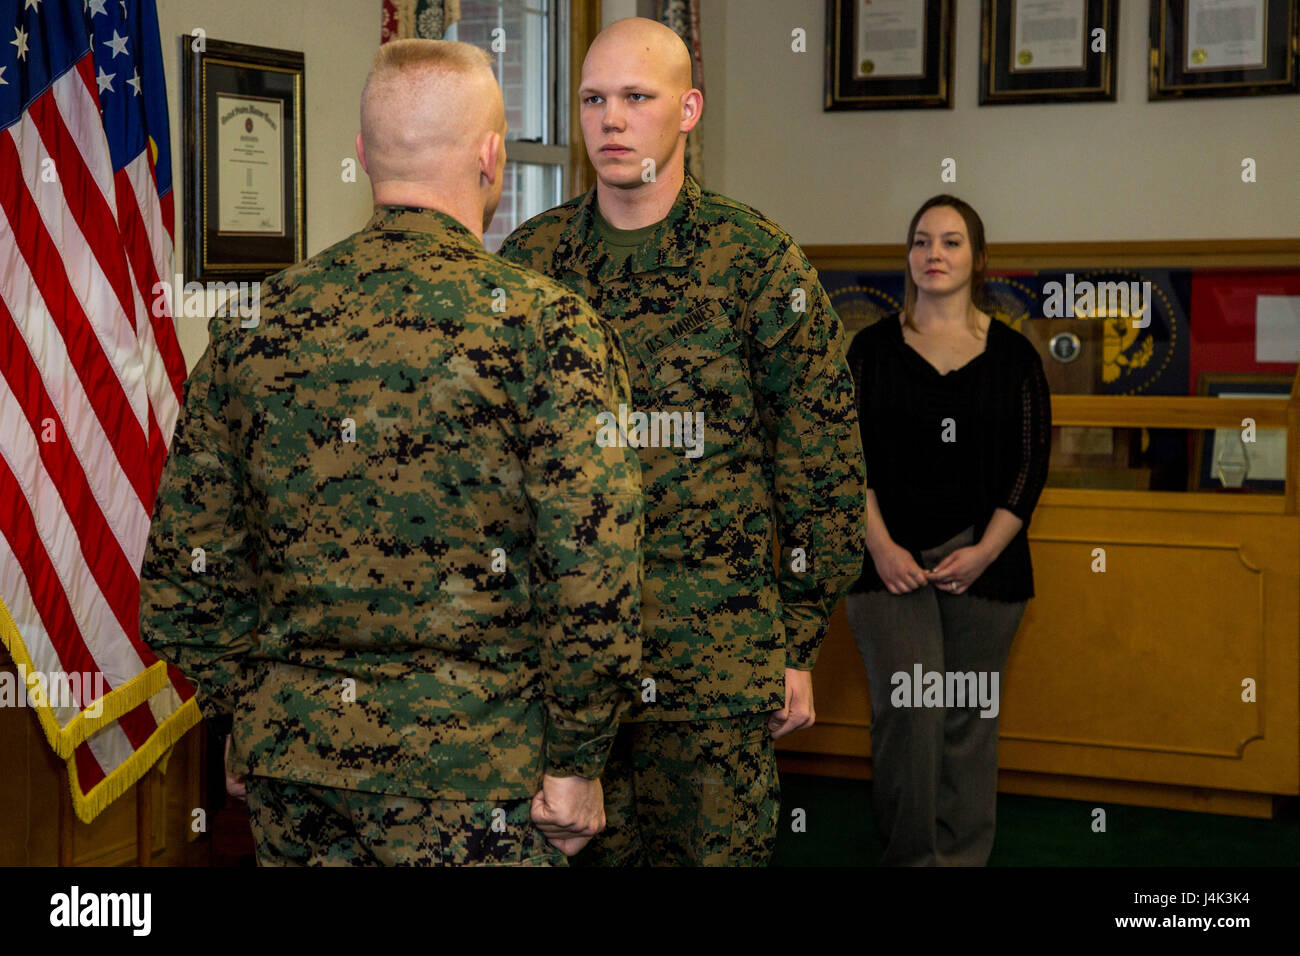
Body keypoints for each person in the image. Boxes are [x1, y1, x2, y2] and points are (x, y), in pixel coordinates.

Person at [139, 39, 644, 866]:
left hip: (295, 768)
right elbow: (594, 571)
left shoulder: (254, 327)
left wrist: (249, 709)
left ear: (364, 154)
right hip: (481, 776)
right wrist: (578, 758)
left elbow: (182, 579)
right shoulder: (545, 328)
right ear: (493, 157)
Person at [498, 17, 866, 867]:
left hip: (712, 668)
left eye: (636, 97)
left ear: (688, 109)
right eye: (592, 99)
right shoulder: (532, 262)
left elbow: (821, 463)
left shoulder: (757, 263)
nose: (610, 120)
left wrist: (798, 639)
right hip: (559, 673)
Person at [844, 195, 1052, 866]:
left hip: (985, 565)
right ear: (908, 256)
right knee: (912, 714)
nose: (934, 253)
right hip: (888, 561)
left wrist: (985, 551)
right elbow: (842, 458)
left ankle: (962, 861)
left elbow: (1029, 464)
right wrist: (881, 546)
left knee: (967, 722)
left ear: (978, 259)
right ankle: (910, 861)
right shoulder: (871, 351)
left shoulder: (1015, 358)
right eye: (922, 241)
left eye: (952, 242)